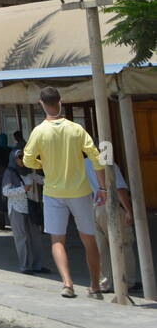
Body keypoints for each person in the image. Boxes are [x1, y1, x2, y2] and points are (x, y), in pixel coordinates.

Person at [21, 86, 106, 299]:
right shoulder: (76, 129)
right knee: (89, 239)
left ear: (41, 103)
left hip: (53, 191)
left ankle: (67, 283)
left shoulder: (39, 131)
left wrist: (44, 163)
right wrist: (102, 187)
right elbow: (96, 158)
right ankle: (95, 286)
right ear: (60, 101)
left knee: (57, 239)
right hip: (80, 190)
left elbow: (27, 159)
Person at [85, 158, 138, 293]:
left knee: (100, 247)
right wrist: (128, 211)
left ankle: (104, 283)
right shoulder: (108, 163)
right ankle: (128, 281)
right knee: (123, 243)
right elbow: (119, 188)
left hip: (92, 207)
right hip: (110, 205)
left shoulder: (83, 163)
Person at [3, 148, 47, 274]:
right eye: (18, 158)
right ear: (13, 159)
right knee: (21, 238)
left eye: (22, 157)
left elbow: (43, 181)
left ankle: (37, 265)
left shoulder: (29, 172)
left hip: (30, 209)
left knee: (36, 238)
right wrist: (23, 189)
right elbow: (5, 192)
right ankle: (25, 266)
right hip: (16, 208)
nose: (21, 160)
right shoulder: (9, 173)